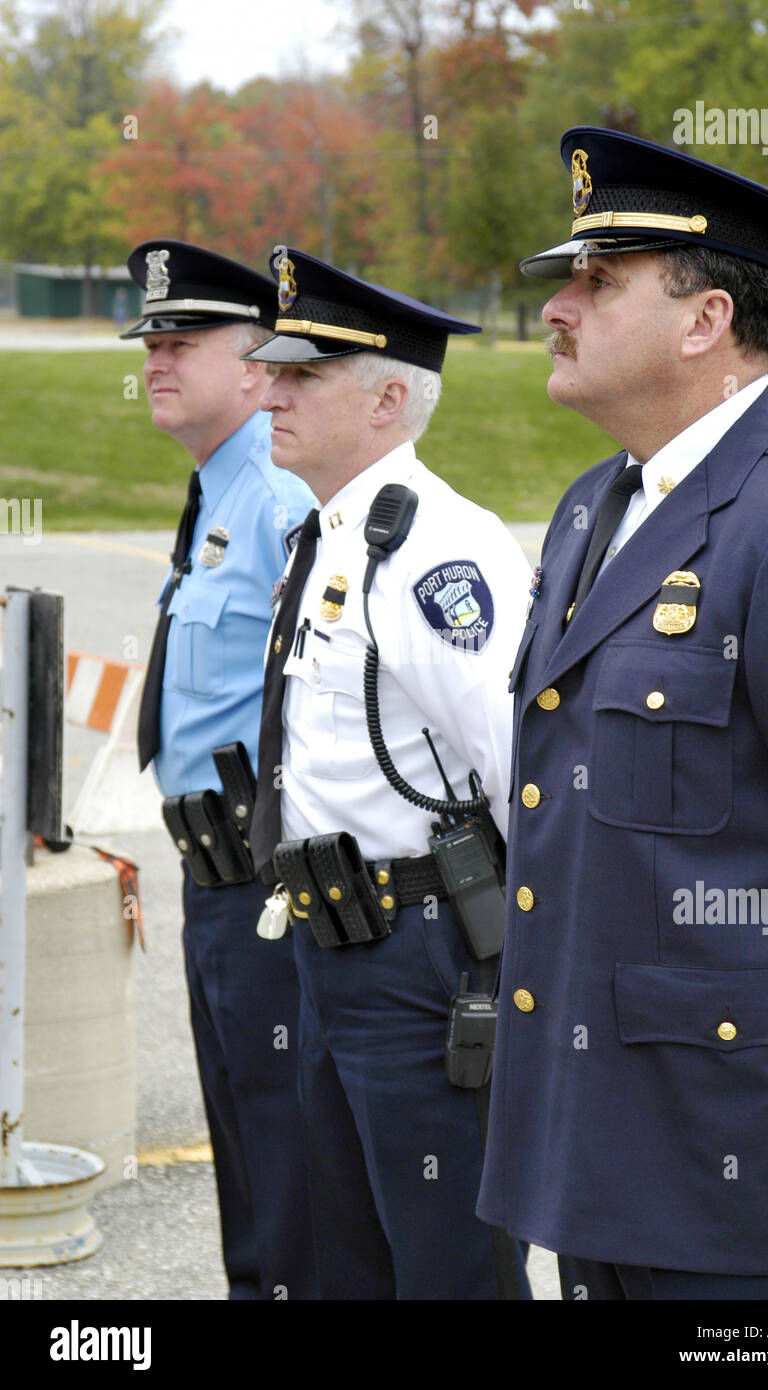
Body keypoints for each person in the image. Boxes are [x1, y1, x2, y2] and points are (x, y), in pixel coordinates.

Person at [476, 126, 768, 1301]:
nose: (559, 307)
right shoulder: (597, 506)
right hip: (599, 1156)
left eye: (599, 281)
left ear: (704, 322)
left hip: (750, 1188)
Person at [246, 248, 533, 1299]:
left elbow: (522, 776)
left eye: (302, 374)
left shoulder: (436, 553)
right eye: (275, 367)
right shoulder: (328, 534)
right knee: (350, 1257)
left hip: (422, 958)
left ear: (390, 399)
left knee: (449, 1261)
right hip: (332, 944)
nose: (268, 388)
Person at [124, 239, 317, 1300]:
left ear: (254, 367)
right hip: (213, 874)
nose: (156, 356)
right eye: (151, 338)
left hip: (267, 880)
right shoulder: (220, 490)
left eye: (182, 339)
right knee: (247, 1153)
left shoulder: (281, 496)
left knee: (287, 1167)